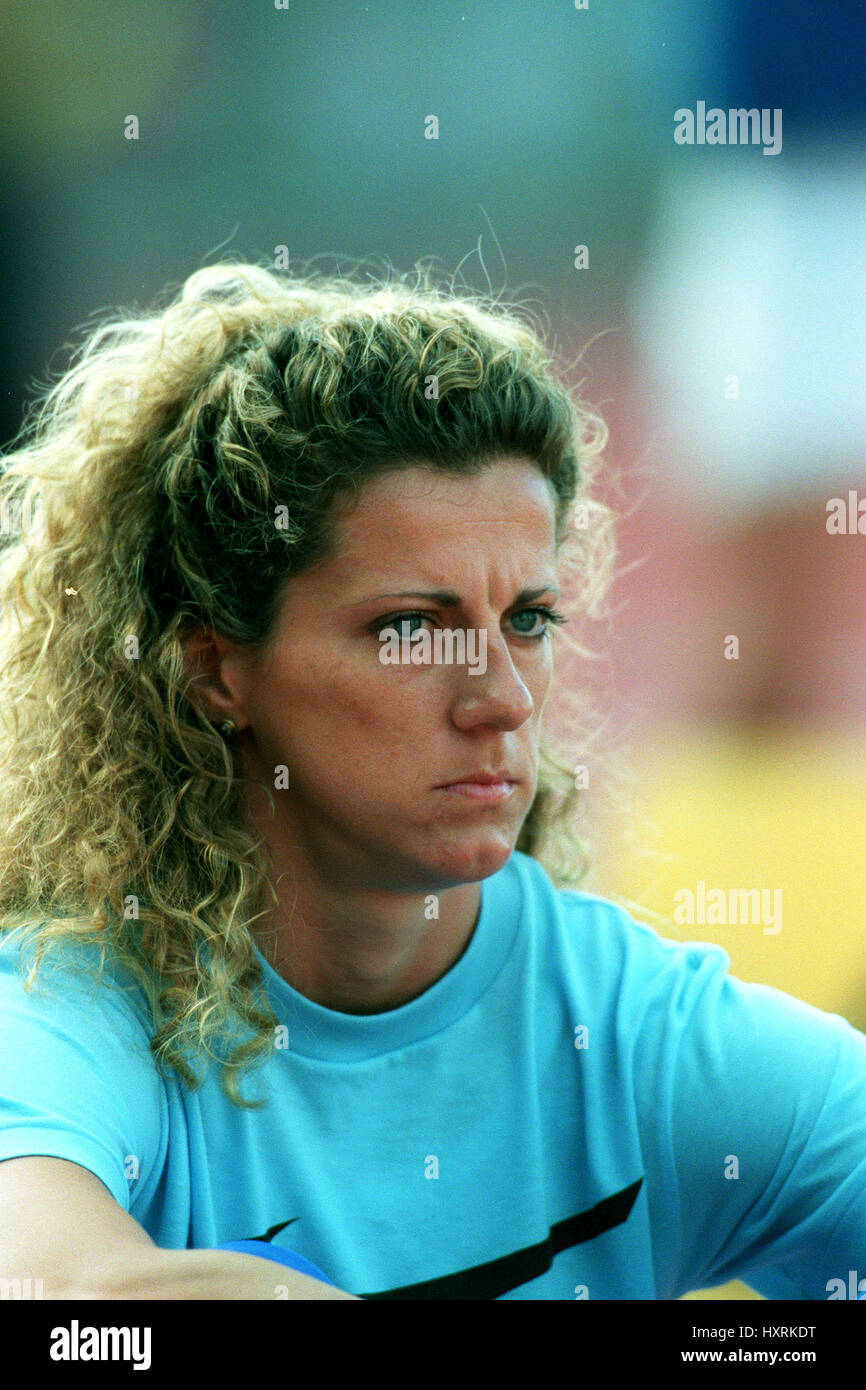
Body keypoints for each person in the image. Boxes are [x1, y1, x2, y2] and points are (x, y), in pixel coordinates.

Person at [0, 261, 862, 1302]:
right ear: (216, 668)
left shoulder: (643, 1041)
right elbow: (50, 1295)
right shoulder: (73, 1011)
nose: (499, 698)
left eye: (528, 621)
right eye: (409, 628)